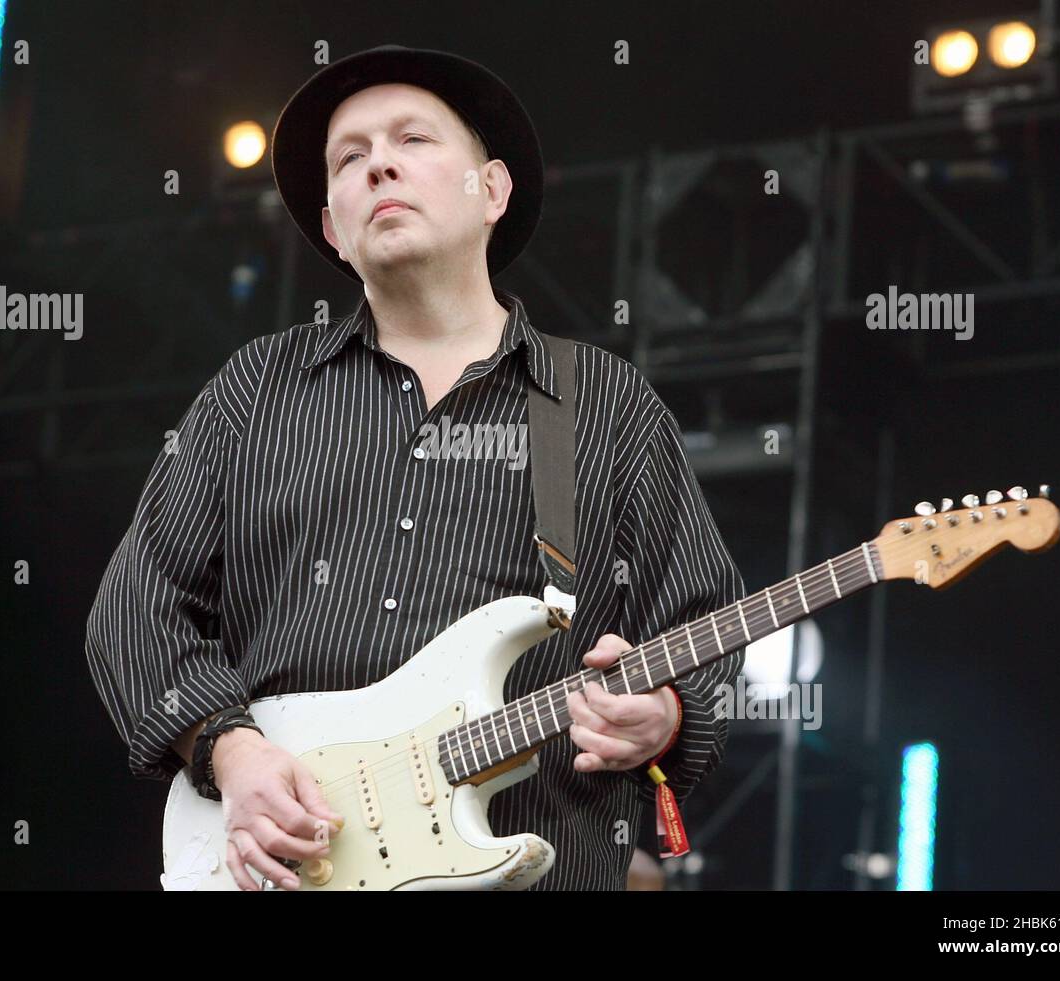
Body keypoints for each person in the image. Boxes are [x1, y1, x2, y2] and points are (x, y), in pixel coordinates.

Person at [86, 44, 746, 891]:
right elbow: (136, 607)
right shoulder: (256, 388)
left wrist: (666, 716)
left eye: (413, 141)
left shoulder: (606, 404)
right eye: (349, 158)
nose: (379, 164)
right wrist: (232, 750)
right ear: (333, 227)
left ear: (493, 192)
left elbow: (702, 624)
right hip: (283, 868)